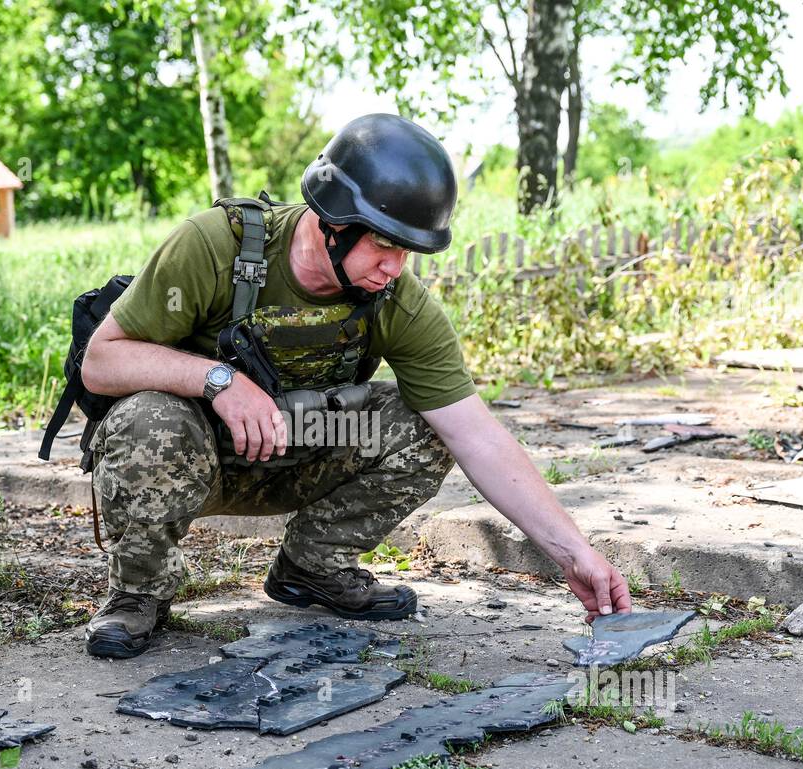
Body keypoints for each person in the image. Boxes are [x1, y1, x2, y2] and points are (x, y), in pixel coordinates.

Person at [79, 113, 631, 658]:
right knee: (147, 416)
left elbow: (476, 435)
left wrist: (574, 554)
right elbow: (101, 361)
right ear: (333, 224)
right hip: (188, 459)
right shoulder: (214, 246)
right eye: (385, 247)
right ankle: (137, 593)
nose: (396, 267)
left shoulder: (396, 299)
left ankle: (313, 567)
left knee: (424, 425)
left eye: (408, 251)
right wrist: (217, 379)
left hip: (294, 456)